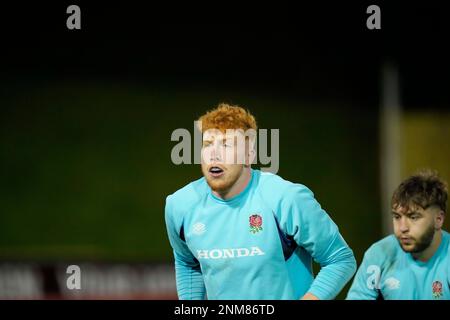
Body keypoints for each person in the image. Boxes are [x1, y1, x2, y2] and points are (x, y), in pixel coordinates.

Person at [165, 103, 356, 300]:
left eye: (226, 144)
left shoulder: (286, 199)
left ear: (249, 155)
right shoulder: (180, 205)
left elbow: (340, 259)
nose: (214, 153)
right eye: (208, 144)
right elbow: (187, 262)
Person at [347, 170, 449, 300]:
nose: (402, 228)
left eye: (413, 217)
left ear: (438, 219)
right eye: (397, 216)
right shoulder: (379, 254)